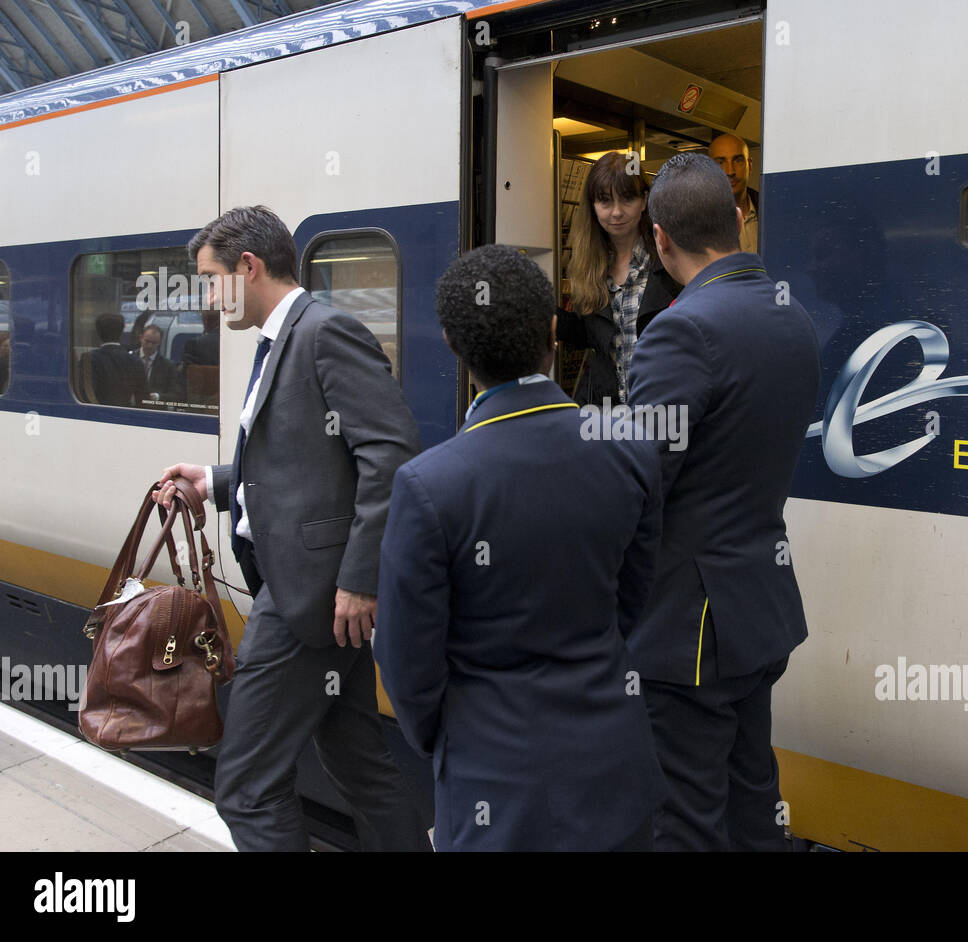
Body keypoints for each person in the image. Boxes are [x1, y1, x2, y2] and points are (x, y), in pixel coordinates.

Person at [373, 244, 667, 851]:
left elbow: (407, 663)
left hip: (496, 787)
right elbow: (630, 604)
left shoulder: (430, 486)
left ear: (453, 346)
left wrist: (457, 736)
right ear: (556, 332)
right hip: (617, 769)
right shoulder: (628, 450)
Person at [155, 205, 428, 852]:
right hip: (312, 590)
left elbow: (391, 454)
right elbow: (301, 464)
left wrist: (361, 579)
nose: (207, 297)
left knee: (246, 786)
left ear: (248, 267)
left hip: (311, 597)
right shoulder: (285, 338)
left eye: (210, 279)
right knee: (358, 762)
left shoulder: (323, 332)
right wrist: (214, 483)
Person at [627, 153, 820, 851]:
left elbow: (638, 486)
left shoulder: (680, 331)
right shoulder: (791, 315)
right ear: (739, 219)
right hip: (756, 611)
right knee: (751, 804)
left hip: (688, 630)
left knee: (684, 820)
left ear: (659, 238)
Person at [558, 151, 679, 406]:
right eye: (605, 201)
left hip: (665, 413)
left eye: (626, 199)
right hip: (609, 419)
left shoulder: (671, 261)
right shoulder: (589, 268)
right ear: (592, 205)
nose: (616, 212)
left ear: (645, 200)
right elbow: (589, 336)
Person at [708, 133, 760, 254]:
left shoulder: (771, 212)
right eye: (721, 162)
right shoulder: (696, 220)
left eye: (738, 161)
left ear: (750, 165)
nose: (730, 171)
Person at [86, 313, 146, 407]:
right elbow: (142, 397)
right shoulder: (135, 361)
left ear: (98, 332)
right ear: (121, 332)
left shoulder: (89, 359)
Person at [137, 324, 179, 402]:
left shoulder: (168, 366)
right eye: (147, 341)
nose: (149, 346)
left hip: (154, 410)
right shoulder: (129, 359)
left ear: (159, 343)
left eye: (154, 343)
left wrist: (158, 396)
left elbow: (175, 394)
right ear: (140, 338)